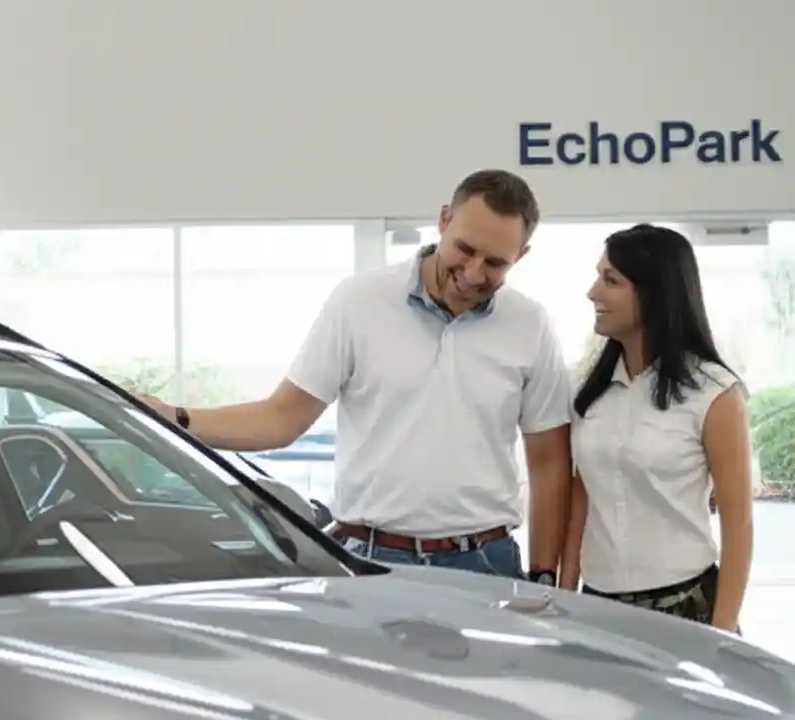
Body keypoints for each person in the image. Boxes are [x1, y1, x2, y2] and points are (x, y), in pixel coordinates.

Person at [138, 169, 575, 582]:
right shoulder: (359, 302)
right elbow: (281, 419)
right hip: (372, 558)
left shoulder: (529, 324)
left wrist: (542, 577)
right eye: (465, 250)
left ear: (521, 256)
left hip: (486, 562)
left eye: (496, 263)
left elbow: (550, 462)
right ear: (443, 220)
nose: (474, 273)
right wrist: (173, 418)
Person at [557, 223, 754, 632]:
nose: (593, 292)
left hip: (687, 606)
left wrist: (723, 629)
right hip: (599, 608)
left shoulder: (714, 393)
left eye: (610, 280)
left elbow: (739, 523)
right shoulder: (586, 392)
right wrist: (565, 596)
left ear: (653, 293)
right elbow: (580, 501)